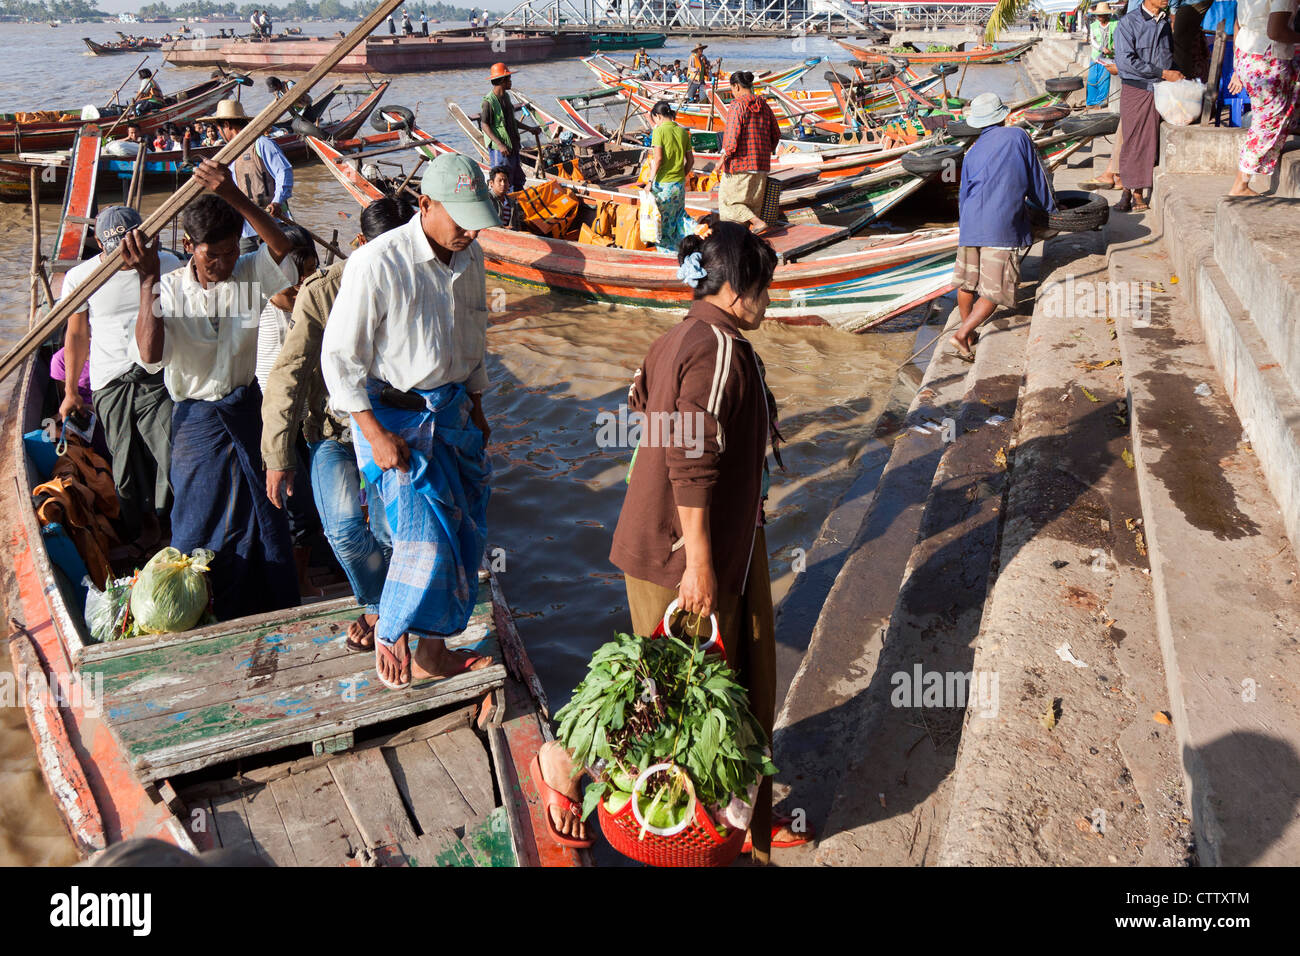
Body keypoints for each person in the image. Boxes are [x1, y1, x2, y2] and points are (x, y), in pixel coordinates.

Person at [534, 219, 802, 860]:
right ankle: (569, 762)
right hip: (685, 554)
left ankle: (735, 817)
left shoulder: (678, 337)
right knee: (668, 689)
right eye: (764, 285)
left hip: (687, 543)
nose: (770, 298)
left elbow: (639, 402)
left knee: (706, 682)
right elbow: (690, 452)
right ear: (737, 287)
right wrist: (700, 559)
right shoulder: (716, 347)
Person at [320, 153, 498, 691]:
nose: (469, 230)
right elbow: (338, 358)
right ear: (425, 205)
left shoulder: (474, 260)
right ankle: (391, 624)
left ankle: (433, 650)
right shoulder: (376, 263)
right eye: (460, 217)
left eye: (476, 219)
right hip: (394, 419)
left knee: (463, 529)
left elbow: (475, 341)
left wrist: (480, 408)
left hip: (452, 415)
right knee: (421, 535)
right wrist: (373, 435)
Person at [121, 159, 300, 620]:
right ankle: (202, 609)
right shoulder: (168, 287)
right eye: (210, 256)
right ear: (188, 248)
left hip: (246, 410)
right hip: (196, 422)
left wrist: (236, 196)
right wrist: (145, 281)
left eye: (227, 253)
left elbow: (284, 253)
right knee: (198, 521)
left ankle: (270, 605)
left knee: (266, 514)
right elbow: (150, 354)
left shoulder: (247, 272)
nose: (221, 264)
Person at [263, 198, 412, 653]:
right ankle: (376, 600)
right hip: (333, 430)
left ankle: (389, 611)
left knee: (392, 531)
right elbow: (287, 373)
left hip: (390, 426)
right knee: (345, 530)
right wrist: (278, 454)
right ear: (360, 244)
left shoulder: (414, 280)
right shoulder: (322, 293)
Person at [58, 206, 181, 551]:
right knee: (125, 462)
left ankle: (172, 522)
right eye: (117, 253)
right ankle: (141, 527)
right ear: (99, 243)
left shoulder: (169, 265)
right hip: (110, 379)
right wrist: (70, 391)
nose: (126, 259)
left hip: (157, 374)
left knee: (168, 453)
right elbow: (77, 334)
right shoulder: (81, 278)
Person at [948, 93, 1057, 360]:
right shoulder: (1018, 136)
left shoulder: (972, 151)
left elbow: (963, 193)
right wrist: (1051, 209)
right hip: (1000, 222)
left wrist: (967, 226)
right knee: (995, 290)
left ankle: (968, 331)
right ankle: (963, 334)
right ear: (1003, 116)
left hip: (971, 223)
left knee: (967, 282)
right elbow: (1036, 179)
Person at [1114, 0, 1183, 212]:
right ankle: (1135, 193)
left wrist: (1178, 75)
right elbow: (1126, 62)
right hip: (1137, 89)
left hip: (1159, 89)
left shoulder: (1163, 22)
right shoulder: (1128, 23)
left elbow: (1168, 56)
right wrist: (1163, 73)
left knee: (1147, 141)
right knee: (1135, 139)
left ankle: (1130, 191)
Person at [1227, 0, 1300, 195]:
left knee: (1270, 116)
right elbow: (1276, 32)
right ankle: (1240, 185)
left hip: (1247, 53)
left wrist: (1237, 65)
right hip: (1266, 58)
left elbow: (1238, 24)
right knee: (1267, 121)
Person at [201, 99, 293, 253]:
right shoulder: (228, 154)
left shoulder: (261, 143)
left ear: (227, 125)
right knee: (249, 272)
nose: (219, 133)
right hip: (245, 229)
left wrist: (277, 202)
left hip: (272, 224)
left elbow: (284, 172)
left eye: (219, 128)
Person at [717, 71, 781, 232]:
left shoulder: (738, 104)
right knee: (750, 206)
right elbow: (776, 134)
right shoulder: (764, 105)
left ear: (736, 86)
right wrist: (765, 150)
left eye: (732, 88)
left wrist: (722, 158)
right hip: (761, 165)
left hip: (740, 165)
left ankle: (757, 222)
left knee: (728, 205)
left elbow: (732, 136)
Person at [480, 63, 541, 201]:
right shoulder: (488, 102)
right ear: (502, 80)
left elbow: (511, 121)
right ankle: (502, 208)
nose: (511, 81)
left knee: (516, 179)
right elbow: (485, 125)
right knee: (501, 181)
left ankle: (517, 205)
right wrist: (500, 144)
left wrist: (530, 129)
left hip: (512, 146)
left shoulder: (506, 98)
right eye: (509, 78)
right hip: (500, 150)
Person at [645, 101, 694, 253]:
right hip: (679, 185)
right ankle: (692, 234)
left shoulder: (659, 132)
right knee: (678, 217)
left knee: (663, 225)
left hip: (663, 186)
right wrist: (681, 176)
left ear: (658, 116)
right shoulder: (682, 132)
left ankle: (668, 255)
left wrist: (649, 182)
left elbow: (658, 159)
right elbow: (690, 161)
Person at [1087, 4, 1120, 106]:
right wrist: (1101, 48)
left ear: (1107, 15)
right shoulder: (1094, 25)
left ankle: (1101, 102)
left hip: (1110, 57)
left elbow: (1118, 37)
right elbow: (1092, 40)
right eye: (1098, 15)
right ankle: (1091, 101)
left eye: (1102, 15)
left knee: (1104, 79)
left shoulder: (1115, 24)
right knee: (1092, 79)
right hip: (1096, 55)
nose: (1099, 17)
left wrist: (1114, 47)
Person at [1173, 0, 1214, 78]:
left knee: (1179, 48)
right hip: (1192, 6)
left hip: (1189, 5)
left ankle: (1180, 81)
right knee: (1184, 47)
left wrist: (1173, 10)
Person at [486, 163, 518, 228]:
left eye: (505, 181)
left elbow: (516, 225)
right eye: (499, 181)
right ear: (491, 183)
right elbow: (485, 223)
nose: (503, 184)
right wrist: (504, 228)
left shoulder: (512, 203)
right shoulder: (486, 199)